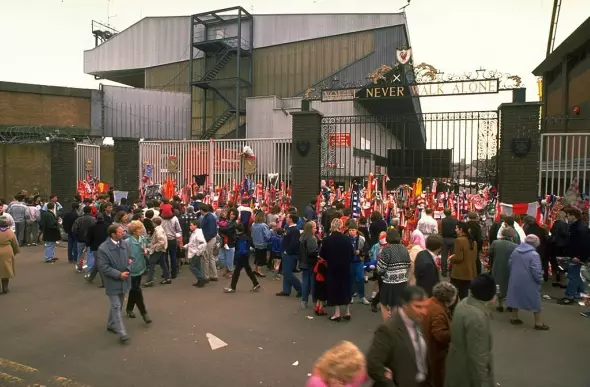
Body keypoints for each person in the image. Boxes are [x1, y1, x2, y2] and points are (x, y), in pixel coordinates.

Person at [366, 286, 430, 387]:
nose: (424, 311)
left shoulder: (418, 321)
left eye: (425, 307)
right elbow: (373, 364)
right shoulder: (388, 329)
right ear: (405, 306)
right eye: (418, 307)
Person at [445, 274, 496, 387]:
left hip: (456, 367)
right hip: (467, 375)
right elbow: (478, 357)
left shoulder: (463, 303)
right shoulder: (478, 318)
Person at [96, 224, 132, 344]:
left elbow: (130, 258)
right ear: (113, 234)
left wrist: (128, 269)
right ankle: (122, 333)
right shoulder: (103, 249)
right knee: (116, 306)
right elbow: (104, 267)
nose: (123, 233)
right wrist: (118, 274)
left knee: (119, 305)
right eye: (120, 232)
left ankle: (111, 324)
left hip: (124, 279)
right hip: (112, 281)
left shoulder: (125, 244)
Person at [505, 234, 549, 330]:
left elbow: (510, 263)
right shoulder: (534, 254)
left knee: (515, 297)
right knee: (535, 300)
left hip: (515, 278)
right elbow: (536, 270)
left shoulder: (516, 251)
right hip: (530, 281)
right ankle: (538, 323)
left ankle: (514, 317)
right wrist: (540, 280)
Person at [421, 282, 457, 387]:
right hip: (435, 353)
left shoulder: (429, 303)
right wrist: (454, 332)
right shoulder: (439, 312)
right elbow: (440, 334)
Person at [320, 218, 354, 321]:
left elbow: (322, 255)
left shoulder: (327, 240)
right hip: (346, 267)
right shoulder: (347, 239)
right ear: (341, 226)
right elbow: (351, 254)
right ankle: (347, 312)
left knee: (335, 289)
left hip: (333, 267)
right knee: (347, 287)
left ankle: (337, 313)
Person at [377, 229, 411, 322]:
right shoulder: (404, 248)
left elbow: (380, 269)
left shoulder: (386, 250)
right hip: (402, 281)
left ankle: (388, 326)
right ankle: (396, 326)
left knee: (384, 304)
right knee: (397, 305)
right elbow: (409, 264)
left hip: (390, 282)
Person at [558, 207, 589, 305]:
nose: (567, 218)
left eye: (568, 216)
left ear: (573, 216)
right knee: (576, 276)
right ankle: (580, 293)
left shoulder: (579, 228)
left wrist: (579, 257)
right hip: (575, 255)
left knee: (572, 276)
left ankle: (569, 296)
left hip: (576, 256)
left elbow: (584, 244)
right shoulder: (577, 227)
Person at [125, 221, 152, 324]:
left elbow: (148, 247)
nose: (142, 230)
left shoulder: (142, 239)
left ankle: (129, 309)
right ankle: (144, 313)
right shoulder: (127, 242)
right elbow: (124, 254)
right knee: (137, 290)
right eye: (139, 228)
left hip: (140, 267)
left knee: (134, 289)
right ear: (134, 231)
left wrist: (147, 250)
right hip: (131, 269)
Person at [223, 224, 260, 293]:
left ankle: (232, 287)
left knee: (236, 272)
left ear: (237, 230)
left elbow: (241, 249)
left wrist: (237, 257)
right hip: (245, 256)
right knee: (248, 270)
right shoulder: (246, 237)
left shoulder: (239, 238)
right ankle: (256, 283)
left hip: (241, 256)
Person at [489, 227, 518, 312]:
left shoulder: (495, 243)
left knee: (498, 285)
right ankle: (509, 304)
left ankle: (500, 304)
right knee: (509, 285)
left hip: (497, 266)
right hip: (510, 268)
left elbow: (490, 253)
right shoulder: (515, 246)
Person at [276, 214, 302, 297]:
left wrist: (287, 251)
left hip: (290, 254)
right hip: (286, 253)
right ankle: (286, 290)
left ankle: (301, 288)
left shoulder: (294, 230)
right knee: (286, 272)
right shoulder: (289, 228)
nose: (286, 218)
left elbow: (294, 242)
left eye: (287, 217)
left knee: (287, 273)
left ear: (291, 219)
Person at [449, 222, 477, 300]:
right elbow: (474, 257)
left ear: (461, 230)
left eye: (457, 228)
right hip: (470, 272)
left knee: (453, 295)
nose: (455, 230)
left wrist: (451, 258)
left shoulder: (459, 240)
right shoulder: (473, 242)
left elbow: (459, 258)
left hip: (459, 272)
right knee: (464, 294)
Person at [144, 217, 170, 287]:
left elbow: (161, 242)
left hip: (158, 249)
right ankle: (167, 278)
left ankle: (150, 280)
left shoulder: (158, 231)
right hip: (162, 249)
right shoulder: (160, 229)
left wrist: (155, 248)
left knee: (151, 263)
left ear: (154, 223)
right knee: (162, 263)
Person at [347, 222, 369, 305]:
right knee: (351, 279)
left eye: (353, 230)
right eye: (350, 230)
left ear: (356, 230)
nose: (351, 232)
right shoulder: (346, 239)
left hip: (359, 261)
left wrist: (360, 252)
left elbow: (366, 248)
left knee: (360, 278)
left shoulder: (362, 238)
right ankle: (351, 296)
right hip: (350, 262)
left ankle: (362, 296)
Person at [300, 220, 319, 309]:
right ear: (311, 228)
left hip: (303, 262)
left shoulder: (302, 237)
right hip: (311, 263)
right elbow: (312, 252)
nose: (316, 229)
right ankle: (315, 301)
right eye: (315, 227)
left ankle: (304, 301)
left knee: (305, 282)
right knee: (313, 283)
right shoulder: (311, 238)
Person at [0, 216, 19, 295]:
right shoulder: (10, 232)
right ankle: (5, 287)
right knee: (6, 270)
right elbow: (15, 244)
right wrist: (15, 252)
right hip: (7, 251)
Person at [185, 219, 207, 287]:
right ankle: (200, 281)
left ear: (196, 225)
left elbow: (203, 243)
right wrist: (186, 246)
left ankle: (201, 279)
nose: (190, 226)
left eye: (191, 225)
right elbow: (192, 242)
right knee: (198, 267)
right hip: (195, 252)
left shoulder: (198, 233)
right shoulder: (195, 232)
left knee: (192, 267)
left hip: (195, 253)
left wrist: (198, 251)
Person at [200, 204, 219, 282]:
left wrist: (205, 240)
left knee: (206, 258)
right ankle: (214, 275)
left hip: (209, 239)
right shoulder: (210, 216)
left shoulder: (209, 218)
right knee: (210, 257)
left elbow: (210, 231)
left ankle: (207, 276)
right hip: (211, 238)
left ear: (202, 210)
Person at [251, 211, 271, 277]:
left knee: (257, 257)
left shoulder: (253, 224)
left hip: (255, 243)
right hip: (262, 244)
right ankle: (259, 272)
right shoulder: (264, 226)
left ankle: (256, 270)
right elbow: (267, 236)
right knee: (261, 258)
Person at [440, 208, 457, 277]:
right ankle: (452, 271)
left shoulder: (443, 221)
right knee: (453, 256)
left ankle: (444, 272)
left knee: (444, 256)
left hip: (445, 239)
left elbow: (441, 231)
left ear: (444, 213)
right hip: (454, 239)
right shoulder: (455, 220)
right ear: (451, 213)